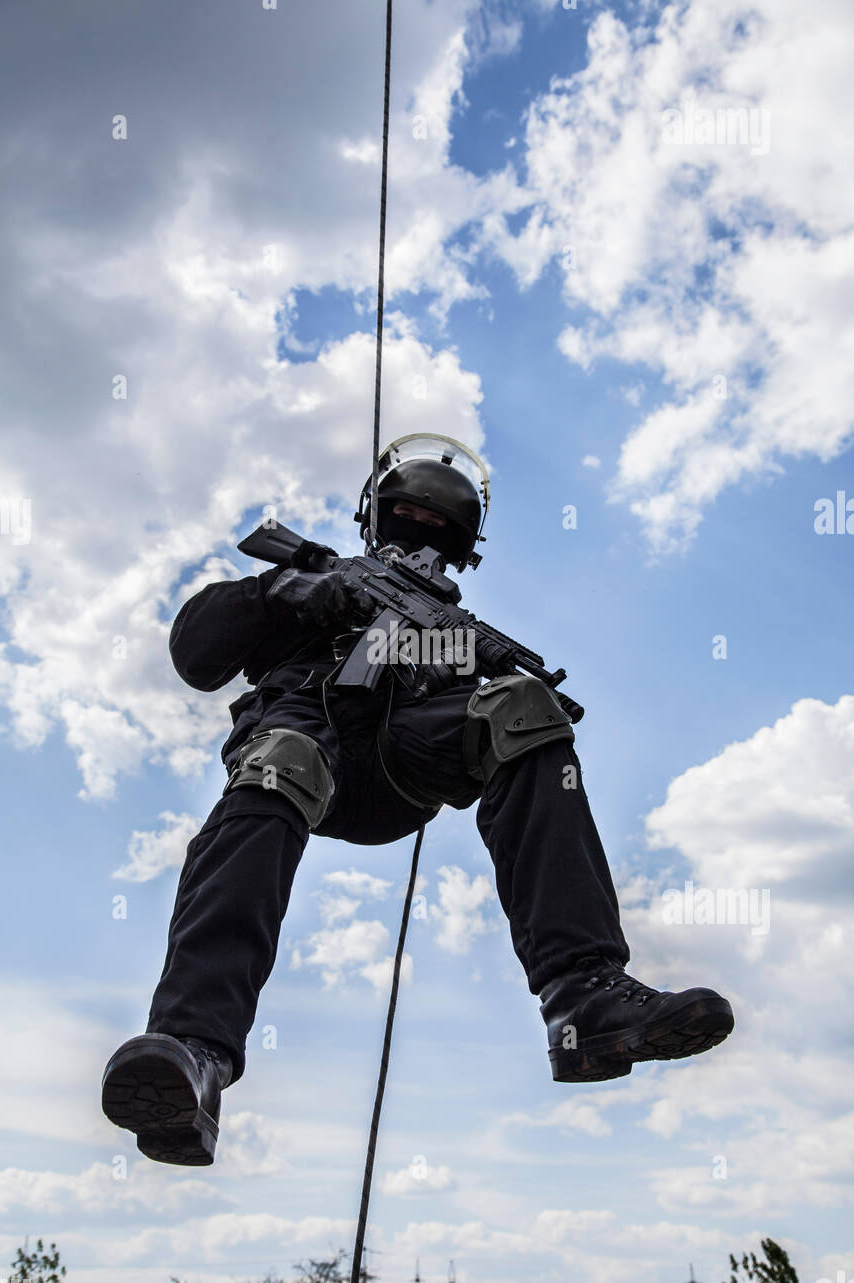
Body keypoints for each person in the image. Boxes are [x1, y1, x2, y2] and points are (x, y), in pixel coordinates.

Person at [101, 434, 735, 1166]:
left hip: (403, 763)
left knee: (525, 707)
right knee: (280, 762)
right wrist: (290, 591)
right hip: (308, 731)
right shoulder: (309, 581)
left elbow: (487, 726)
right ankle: (194, 1052)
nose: (420, 534)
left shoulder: (453, 635)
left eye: (438, 528)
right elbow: (194, 652)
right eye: (407, 515)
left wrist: (459, 659)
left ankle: (582, 994)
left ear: (462, 548)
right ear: (376, 517)